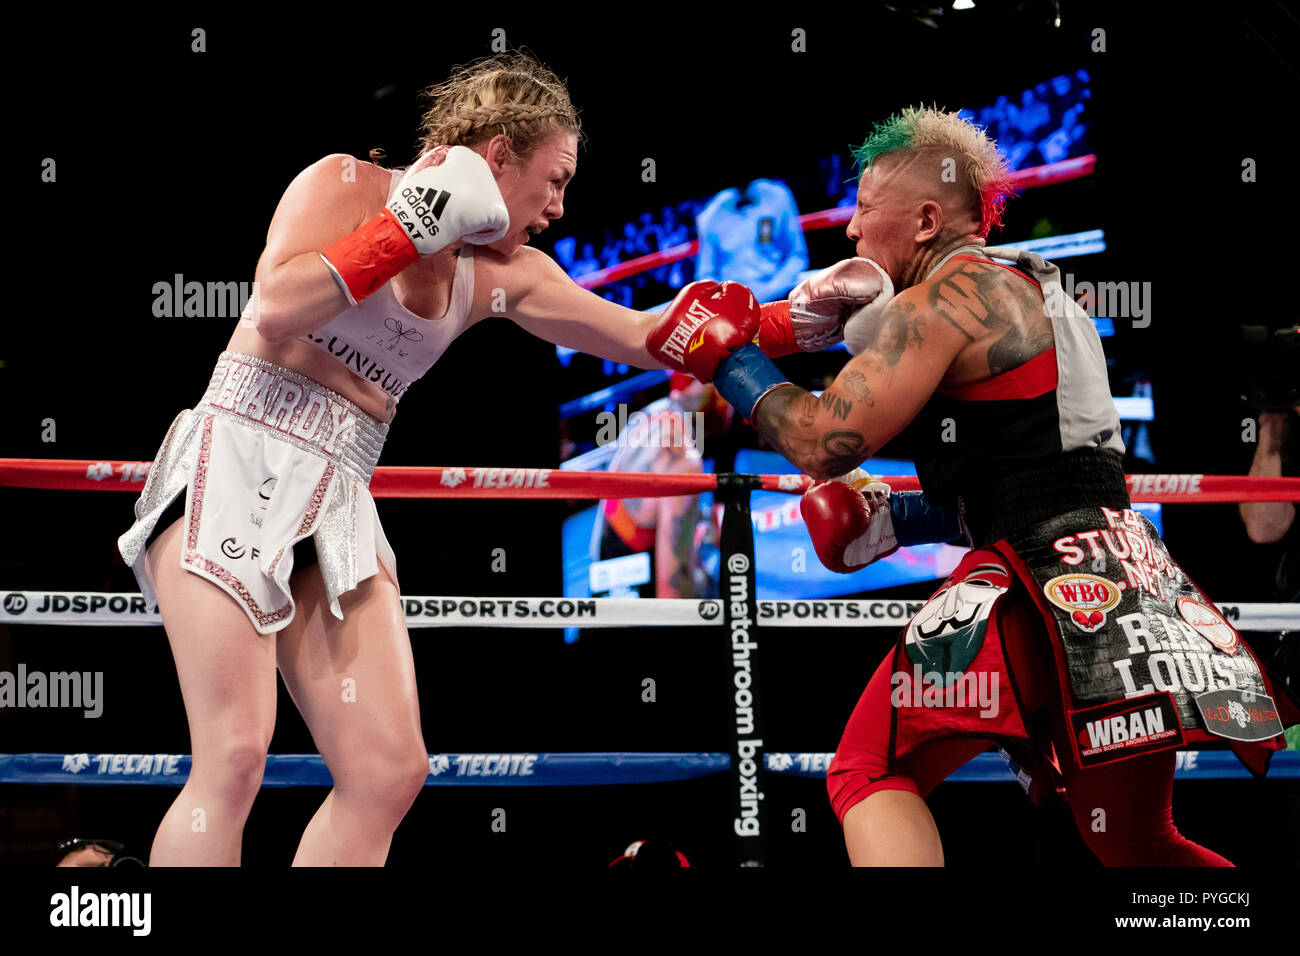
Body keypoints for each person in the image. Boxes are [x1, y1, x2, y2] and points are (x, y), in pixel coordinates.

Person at [647, 106, 1300, 866]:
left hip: (1036, 582)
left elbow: (823, 441)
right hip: (1126, 579)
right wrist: (907, 517)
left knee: (870, 771)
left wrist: (730, 358)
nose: (851, 231)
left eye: (865, 209)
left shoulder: (939, 305)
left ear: (926, 219)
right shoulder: (1047, 292)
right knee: (1139, 843)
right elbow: (1047, 475)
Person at [115, 51, 706, 866]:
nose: (560, 207)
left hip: (338, 495)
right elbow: (276, 305)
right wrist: (405, 228)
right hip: (237, 455)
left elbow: (643, 335)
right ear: (498, 154)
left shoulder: (507, 275)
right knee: (236, 754)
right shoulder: (346, 186)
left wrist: (781, 321)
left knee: (388, 770)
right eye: (555, 178)